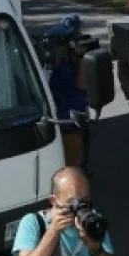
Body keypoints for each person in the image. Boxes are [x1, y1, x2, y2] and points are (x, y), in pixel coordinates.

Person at [46, 15, 89, 167]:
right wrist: (83, 58)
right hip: (68, 124)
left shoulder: (60, 66)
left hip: (68, 120)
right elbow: (82, 85)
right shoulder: (65, 68)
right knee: (73, 166)